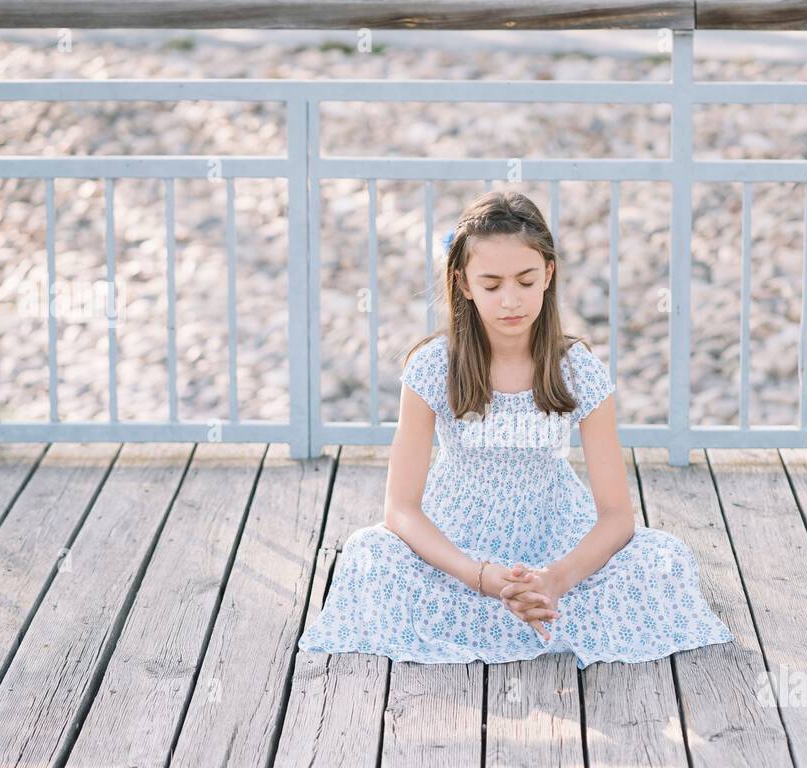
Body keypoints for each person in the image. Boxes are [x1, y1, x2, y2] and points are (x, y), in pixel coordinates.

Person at [296, 190, 739, 670]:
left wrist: (555, 579)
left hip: (554, 534)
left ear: (548, 274)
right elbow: (401, 509)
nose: (511, 301)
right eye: (491, 285)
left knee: (665, 562)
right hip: (457, 543)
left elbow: (616, 516)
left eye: (526, 281)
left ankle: (535, 602)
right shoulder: (431, 368)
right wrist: (480, 576)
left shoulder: (578, 371)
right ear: (462, 283)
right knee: (370, 558)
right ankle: (510, 606)